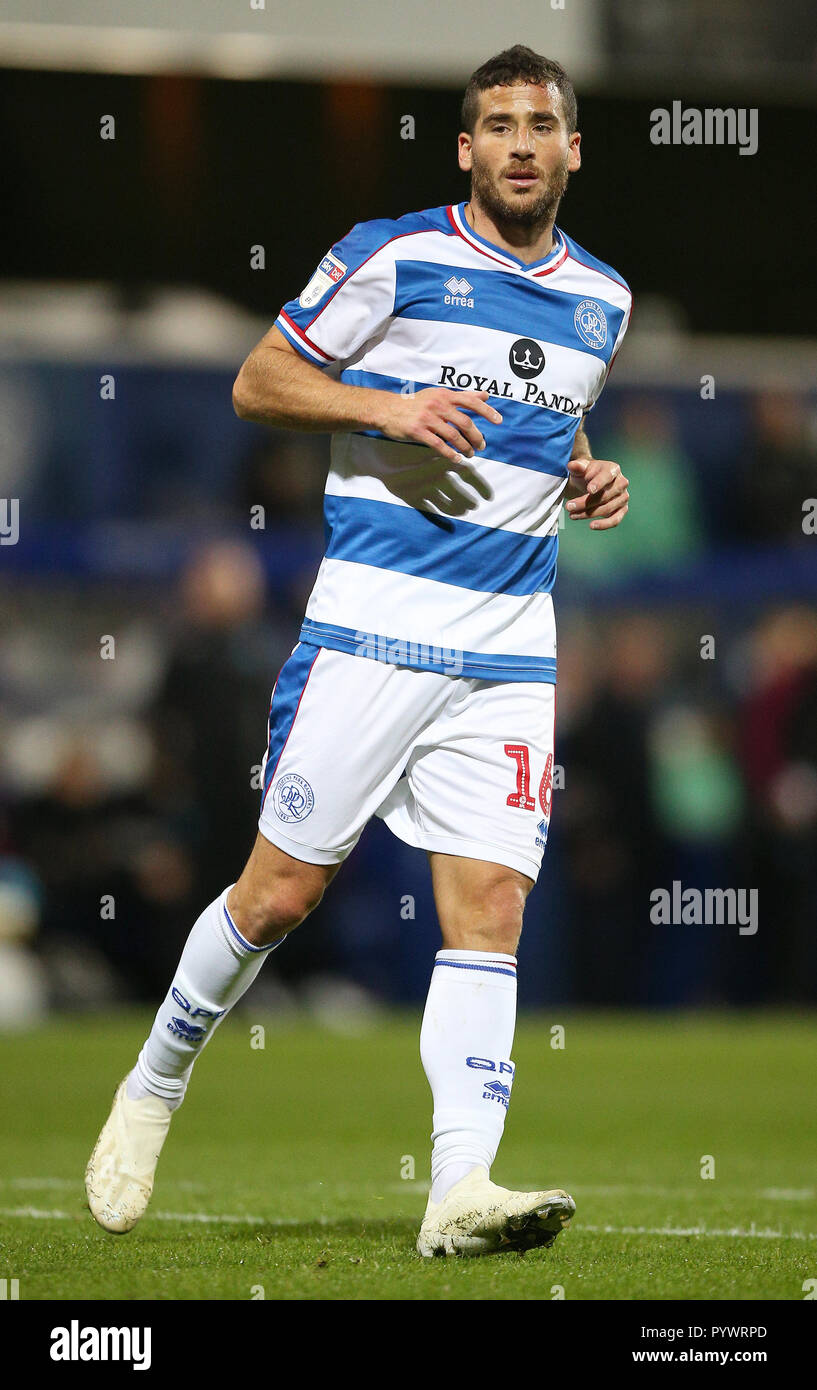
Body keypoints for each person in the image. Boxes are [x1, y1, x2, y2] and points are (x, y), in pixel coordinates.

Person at [86, 45, 632, 1258]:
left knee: (488, 905)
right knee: (279, 893)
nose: (521, 143)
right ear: (466, 149)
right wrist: (385, 407)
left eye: (541, 122)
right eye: (497, 124)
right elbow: (259, 378)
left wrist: (585, 471)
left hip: (509, 648)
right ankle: (155, 1082)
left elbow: (551, 411)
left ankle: (458, 1189)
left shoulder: (605, 298)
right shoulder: (395, 253)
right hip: (373, 629)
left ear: (572, 147)